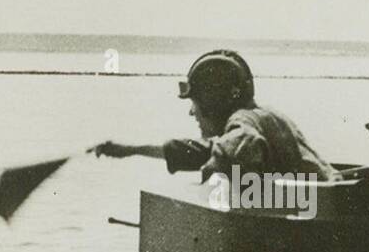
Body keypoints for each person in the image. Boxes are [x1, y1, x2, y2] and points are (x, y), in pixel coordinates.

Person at [92, 49, 338, 182]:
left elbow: (243, 144)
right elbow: (203, 149)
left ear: (213, 103)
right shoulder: (264, 115)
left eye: (195, 103)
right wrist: (130, 150)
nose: (192, 112)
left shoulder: (243, 121)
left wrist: (212, 172)